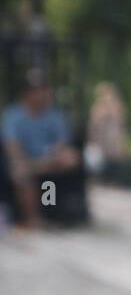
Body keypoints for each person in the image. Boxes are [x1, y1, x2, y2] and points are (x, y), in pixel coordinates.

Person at [1, 72, 86, 227]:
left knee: (70, 158)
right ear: (28, 93)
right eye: (40, 90)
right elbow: (12, 148)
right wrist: (27, 163)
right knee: (21, 171)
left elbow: (62, 145)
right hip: (26, 162)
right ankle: (34, 218)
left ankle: (55, 213)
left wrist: (47, 161)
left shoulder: (55, 115)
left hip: (48, 162)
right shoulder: (13, 116)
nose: (45, 94)